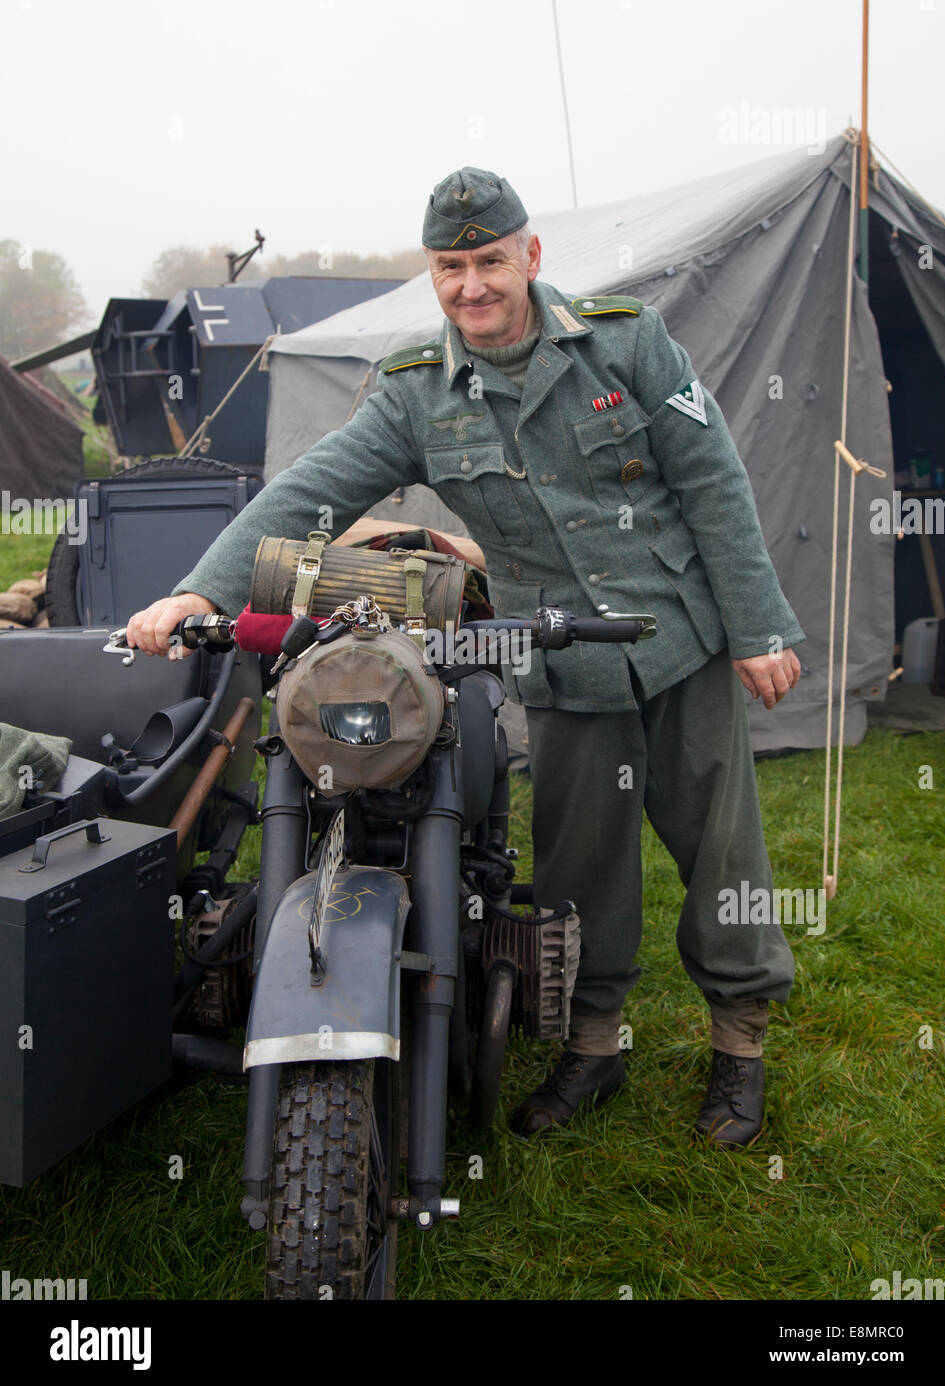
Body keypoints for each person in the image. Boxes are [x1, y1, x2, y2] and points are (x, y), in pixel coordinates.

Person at [126, 166, 803, 1149]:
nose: (472, 285)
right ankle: (593, 1045)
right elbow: (311, 491)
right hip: (564, 662)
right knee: (581, 863)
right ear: (433, 273)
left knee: (721, 849)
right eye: (451, 267)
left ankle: (739, 1045)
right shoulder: (417, 394)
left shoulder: (628, 343)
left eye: (489, 261)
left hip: (679, 639)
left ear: (530, 256)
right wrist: (203, 591)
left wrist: (759, 626)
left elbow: (714, 481)